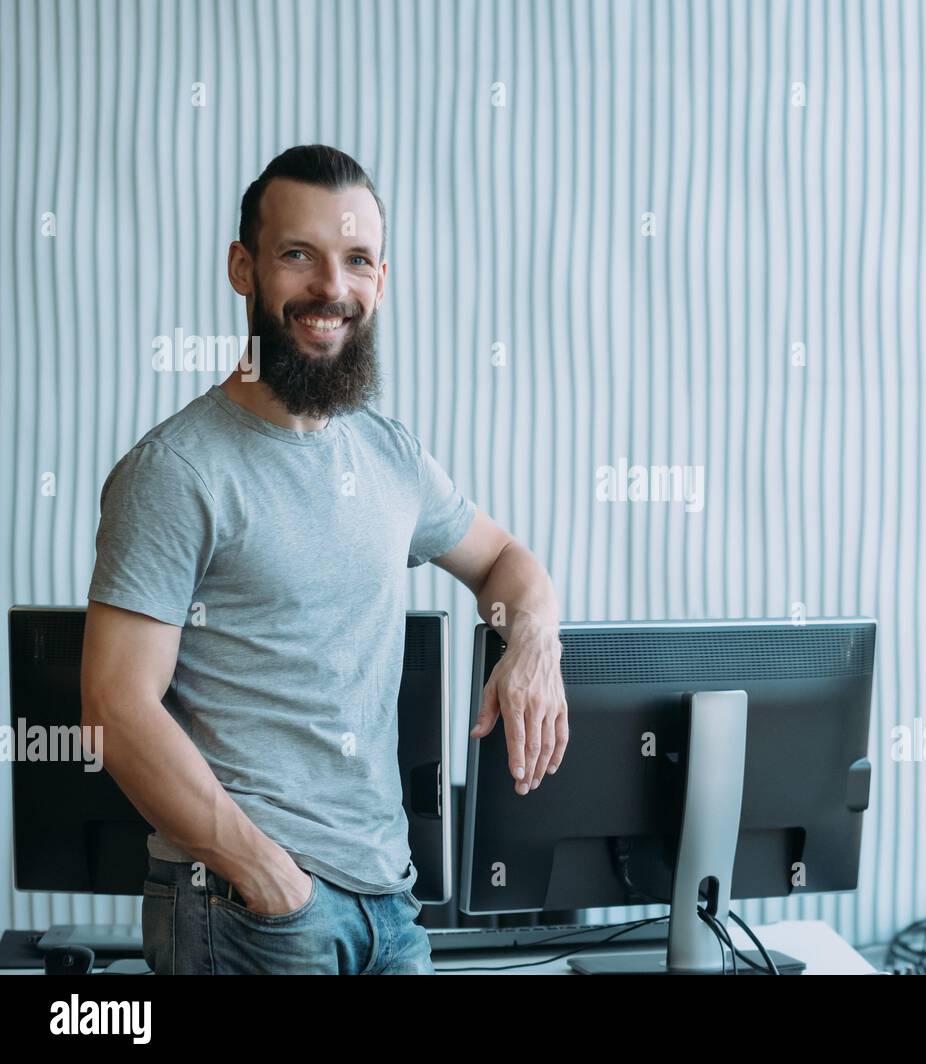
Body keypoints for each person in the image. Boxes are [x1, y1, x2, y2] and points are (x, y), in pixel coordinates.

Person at [80, 144, 569, 975]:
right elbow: (115, 712)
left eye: (357, 261)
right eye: (298, 255)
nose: (331, 289)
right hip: (253, 912)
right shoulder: (176, 471)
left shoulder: (391, 457)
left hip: (391, 905)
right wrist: (272, 879)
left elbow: (506, 562)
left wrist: (533, 642)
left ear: (382, 278)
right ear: (244, 267)